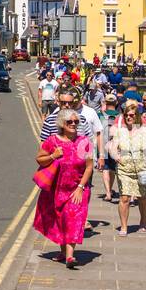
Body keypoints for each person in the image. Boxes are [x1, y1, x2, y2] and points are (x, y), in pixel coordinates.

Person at [33, 108, 95, 268]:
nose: (74, 124)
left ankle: (69, 256)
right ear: (62, 124)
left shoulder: (84, 142)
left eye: (76, 122)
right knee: (61, 220)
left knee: (73, 219)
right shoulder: (52, 141)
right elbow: (40, 159)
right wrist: (53, 155)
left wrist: (81, 187)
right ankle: (62, 252)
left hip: (77, 189)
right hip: (56, 190)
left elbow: (89, 167)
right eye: (70, 122)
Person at [110, 100, 146, 235]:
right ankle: (124, 226)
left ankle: (143, 222)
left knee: (142, 198)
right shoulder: (120, 132)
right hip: (125, 169)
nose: (129, 117)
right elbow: (113, 147)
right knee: (124, 198)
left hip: (143, 169)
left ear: (137, 116)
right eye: (126, 115)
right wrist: (116, 156)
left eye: (132, 115)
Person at [101, 93, 121, 201]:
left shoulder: (100, 115)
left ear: (105, 102)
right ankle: (111, 188)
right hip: (115, 145)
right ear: (116, 103)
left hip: (103, 144)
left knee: (105, 168)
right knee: (112, 169)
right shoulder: (120, 116)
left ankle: (108, 193)